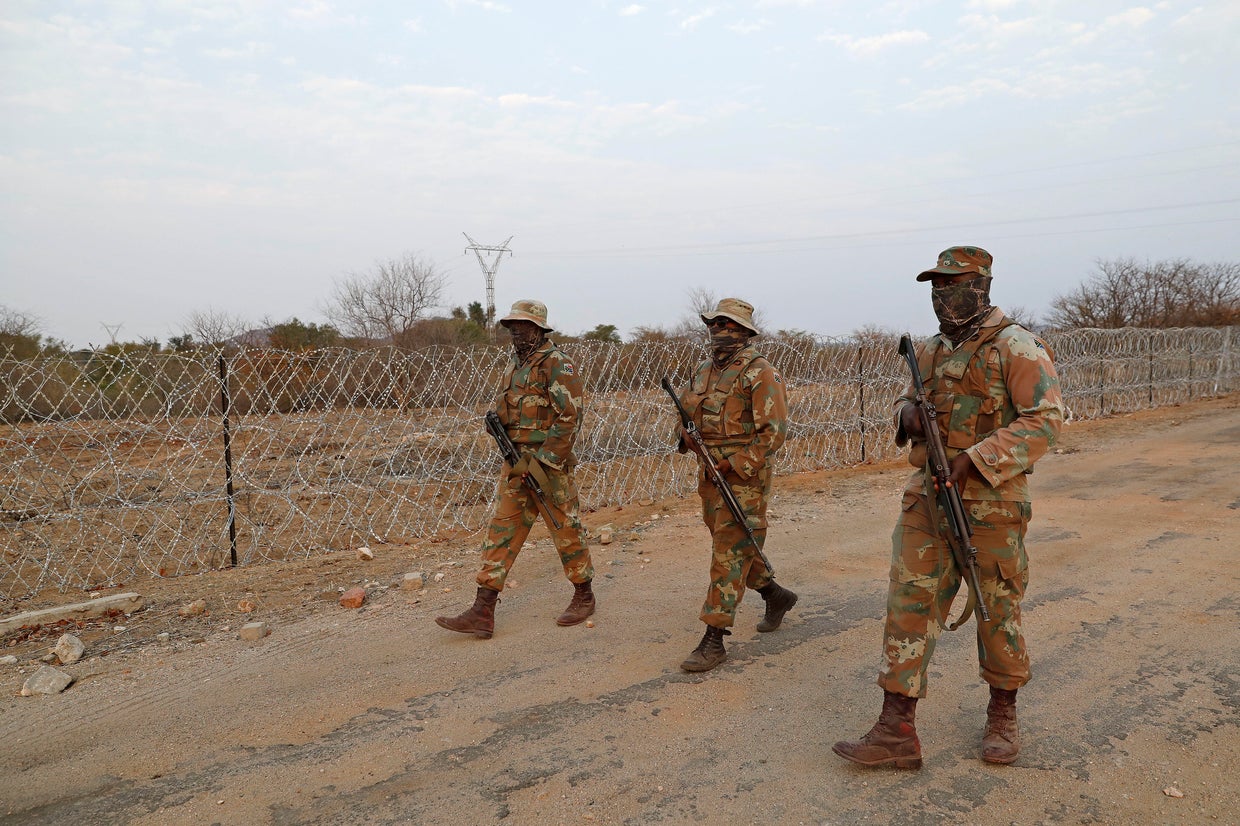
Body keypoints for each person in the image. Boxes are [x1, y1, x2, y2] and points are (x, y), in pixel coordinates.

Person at [833, 246, 1064, 768]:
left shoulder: (1017, 346)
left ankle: (1002, 712)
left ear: (981, 284)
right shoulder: (933, 349)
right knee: (909, 604)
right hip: (928, 497)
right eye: (936, 286)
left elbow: (1044, 420)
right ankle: (896, 729)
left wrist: (977, 460)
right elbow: (911, 398)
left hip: (992, 501)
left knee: (995, 605)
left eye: (952, 284)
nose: (942, 295)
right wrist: (908, 416)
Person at [435, 299, 595, 639]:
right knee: (502, 531)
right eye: (512, 327)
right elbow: (510, 406)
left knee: (564, 527)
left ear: (538, 329)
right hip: (515, 462)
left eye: (522, 326)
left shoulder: (557, 364)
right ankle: (483, 609)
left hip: (546, 466)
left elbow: (570, 418)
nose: (516, 332)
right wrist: (498, 426)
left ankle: (584, 595)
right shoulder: (515, 364)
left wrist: (543, 461)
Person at [674, 297, 798, 673]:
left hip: (744, 476)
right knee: (733, 543)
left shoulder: (760, 373)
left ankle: (714, 638)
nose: (718, 331)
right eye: (714, 324)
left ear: (745, 331)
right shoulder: (703, 371)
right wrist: (686, 437)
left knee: (728, 550)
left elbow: (773, 433)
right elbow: (686, 414)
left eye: (727, 325)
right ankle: (775, 594)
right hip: (708, 473)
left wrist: (733, 463)